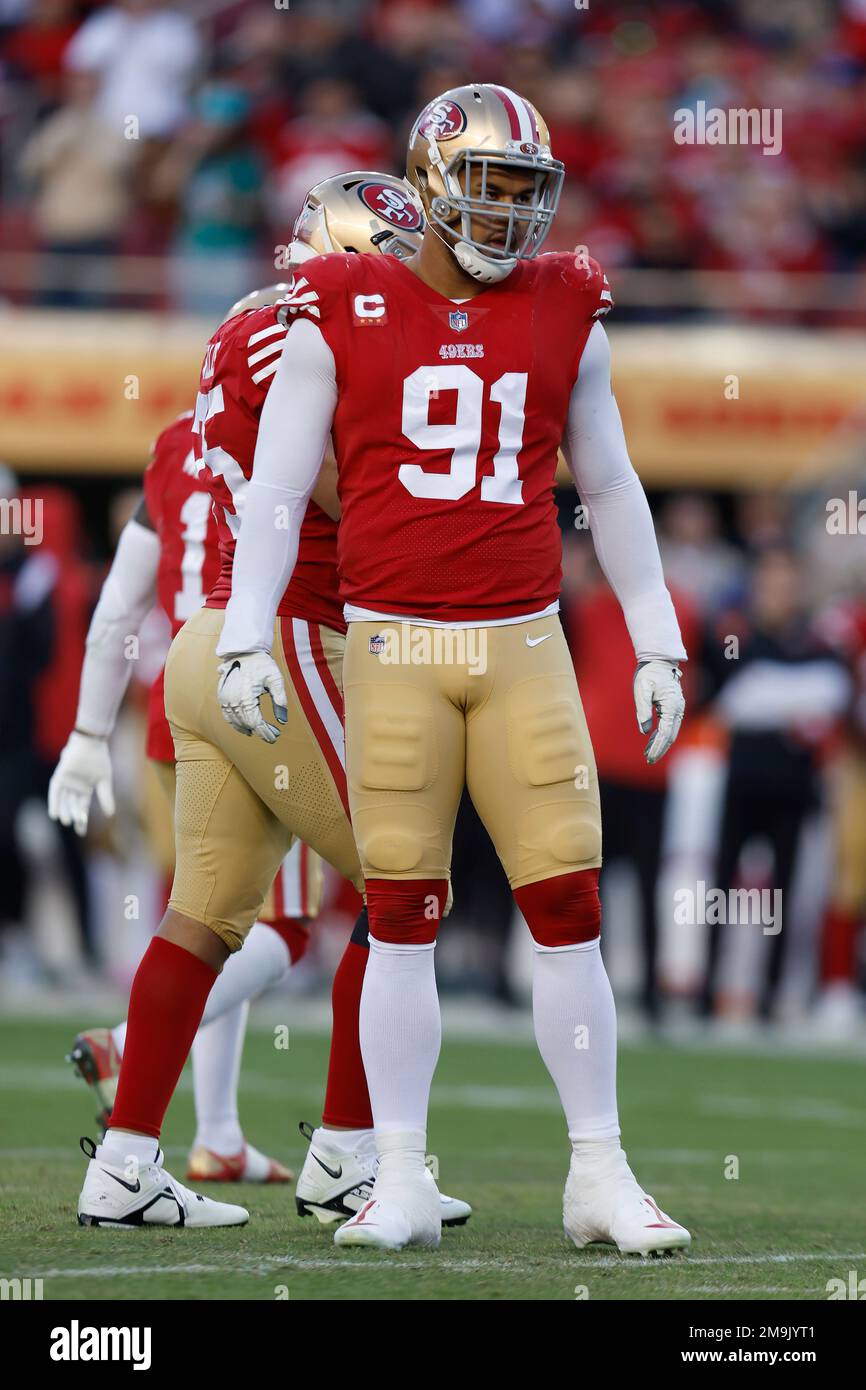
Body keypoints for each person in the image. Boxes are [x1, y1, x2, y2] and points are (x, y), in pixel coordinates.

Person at [217, 84, 690, 1254]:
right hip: (391, 643)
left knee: (566, 908)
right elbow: (277, 492)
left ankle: (598, 1172)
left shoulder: (566, 305)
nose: (508, 213)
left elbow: (612, 485)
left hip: (522, 639)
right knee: (399, 916)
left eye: (527, 192)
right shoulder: (339, 298)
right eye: (488, 184)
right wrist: (239, 629)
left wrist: (656, 631)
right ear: (430, 181)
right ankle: (395, 1175)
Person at [72, 170, 470, 1230]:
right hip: (284, 636)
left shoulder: (249, 320)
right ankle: (349, 1154)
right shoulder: (319, 327)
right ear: (358, 250)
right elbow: (342, 486)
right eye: (402, 252)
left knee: (202, 917)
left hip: (206, 643)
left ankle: (121, 1163)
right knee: (404, 880)